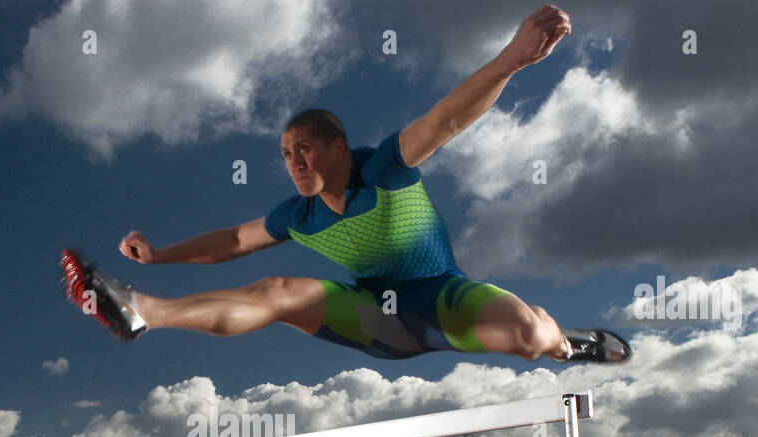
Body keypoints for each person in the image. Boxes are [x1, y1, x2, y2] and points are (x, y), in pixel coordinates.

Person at [60, 4, 629, 364]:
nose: (293, 161)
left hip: (445, 299)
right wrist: (157, 257)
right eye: (285, 154)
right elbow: (232, 243)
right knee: (277, 291)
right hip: (376, 320)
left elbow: (447, 119)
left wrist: (512, 59)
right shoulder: (299, 215)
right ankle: (141, 310)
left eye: (303, 148)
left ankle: (570, 344)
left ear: (338, 146)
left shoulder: (383, 169)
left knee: (531, 335)